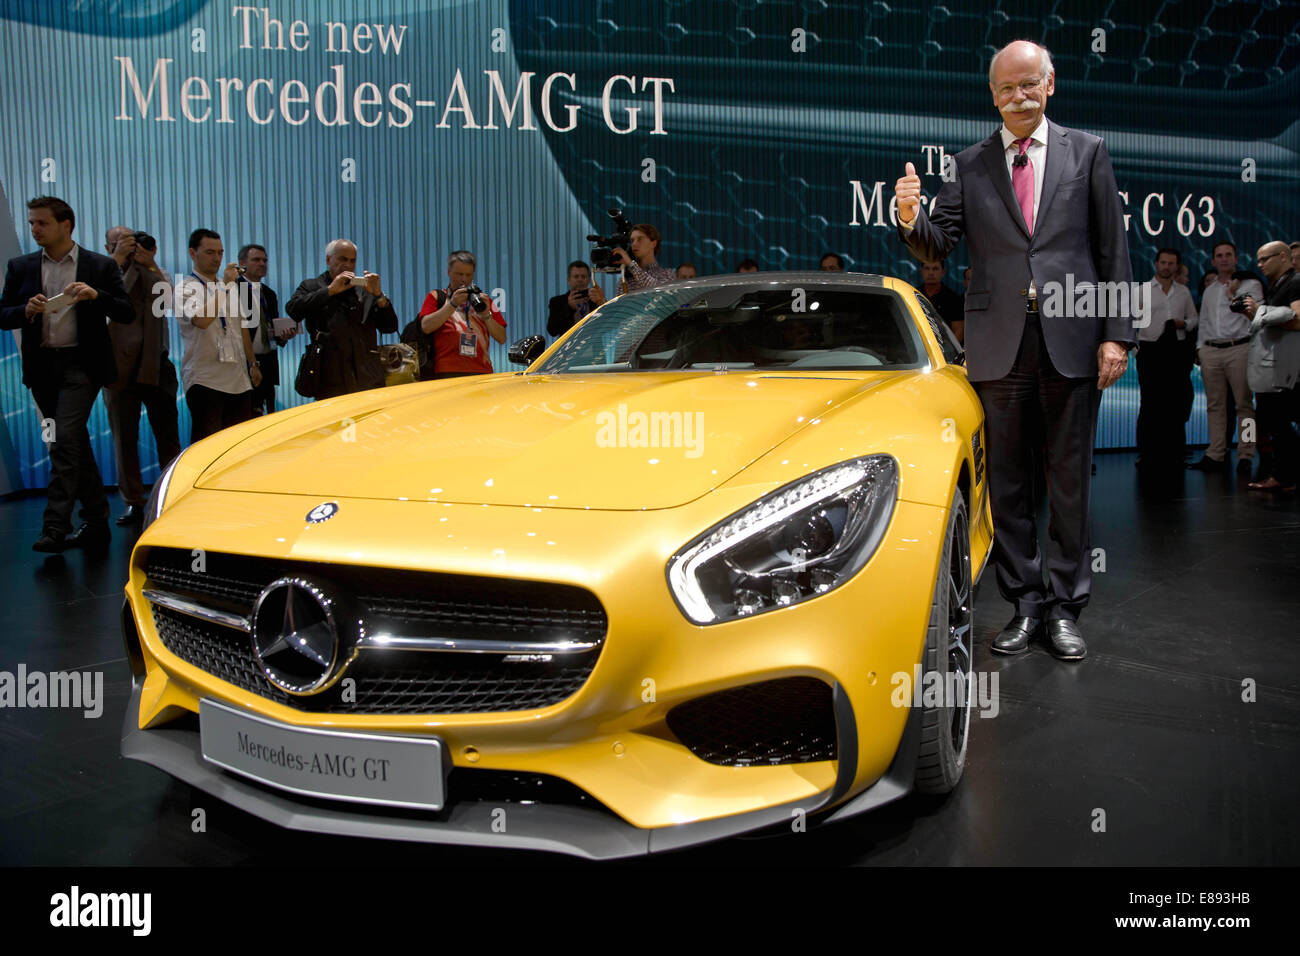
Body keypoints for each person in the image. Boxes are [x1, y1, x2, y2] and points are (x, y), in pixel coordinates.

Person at [895, 39, 1134, 661]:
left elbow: (1112, 250)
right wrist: (910, 218)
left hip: (1072, 338)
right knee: (1005, 485)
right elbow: (936, 246)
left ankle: (1065, 607)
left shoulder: (1088, 152)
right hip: (999, 344)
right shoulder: (969, 164)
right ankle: (1024, 604)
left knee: (1068, 481)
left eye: (1029, 85)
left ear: (1050, 84)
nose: (1018, 97)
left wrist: (1116, 332)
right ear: (992, 95)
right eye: (1006, 88)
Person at [0, 196, 132, 552]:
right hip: (42, 368)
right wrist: (24, 311)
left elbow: (126, 312)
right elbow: (2, 313)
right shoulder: (21, 267)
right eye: (30, 223)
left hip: (83, 366)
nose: (34, 229)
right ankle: (96, 519)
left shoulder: (99, 265)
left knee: (62, 438)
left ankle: (55, 526)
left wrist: (96, 295)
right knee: (73, 442)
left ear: (66, 225)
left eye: (41, 223)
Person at [103, 227, 180, 525]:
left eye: (131, 244)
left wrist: (151, 265)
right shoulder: (103, 271)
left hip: (158, 364)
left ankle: (172, 495)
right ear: (108, 245)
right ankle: (134, 501)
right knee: (125, 438)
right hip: (119, 368)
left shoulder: (156, 273)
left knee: (168, 437)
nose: (129, 249)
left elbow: (168, 303)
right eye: (119, 244)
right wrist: (118, 260)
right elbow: (109, 307)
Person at [175, 229, 260, 442]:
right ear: (192, 253)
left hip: (238, 378)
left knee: (238, 445)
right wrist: (225, 286)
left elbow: (241, 327)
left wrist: (253, 363)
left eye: (220, 253)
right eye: (209, 252)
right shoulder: (185, 288)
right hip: (205, 379)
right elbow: (202, 320)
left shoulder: (227, 287)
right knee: (209, 444)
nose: (217, 258)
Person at [285, 239, 398, 399]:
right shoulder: (312, 286)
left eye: (352, 261)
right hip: (329, 375)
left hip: (366, 375)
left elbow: (390, 327)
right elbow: (293, 310)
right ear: (328, 259)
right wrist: (329, 291)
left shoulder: (363, 289)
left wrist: (379, 296)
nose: (348, 265)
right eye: (342, 259)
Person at [1188, 240, 1263, 474]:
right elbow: (1205, 322)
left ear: (1236, 258)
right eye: (1219, 255)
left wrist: (1233, 294)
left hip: (1239, 348)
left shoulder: (1251, 284)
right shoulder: (1209, 290)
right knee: (1215, 405)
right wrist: (1201, 348)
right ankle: (1215, 453)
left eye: (1228, 254)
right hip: (1211, 351)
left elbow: (1257, 315)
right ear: (1213, 261)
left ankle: (1246, 453)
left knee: (1244, 406)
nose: (1224, 259)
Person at [1242, 241, 1300, 492]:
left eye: (1265, 259)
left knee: (1279, 422)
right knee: (1275, 422)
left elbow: (1297, 321)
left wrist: (1261, 312)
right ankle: (1284, 475)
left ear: (1283, 256)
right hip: (1277, 364)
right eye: (1258, 259)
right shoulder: (1278, 285)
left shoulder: (1295, 282)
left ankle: (1285, 476)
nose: (1260, 264)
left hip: (1289, 367)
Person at [1136, 248, 1199, 470]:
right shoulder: (1142, 290)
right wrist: (1136, 350)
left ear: (1177, 266)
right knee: (1150, 404)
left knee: (1174, 404)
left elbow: (1194, 318)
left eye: (1171, 263)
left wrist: (1185, 324)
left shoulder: (1183, 292)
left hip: (1175, 352)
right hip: (1150, 352)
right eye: (1163, 262)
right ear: (1156, 264)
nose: (1166, 267)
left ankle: (1174, 453)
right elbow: (1129, 321)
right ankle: (1146, 453)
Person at [403, 250, 506, 379]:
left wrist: (486, 314)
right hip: (446, 371)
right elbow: (425, 326)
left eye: (468, 275)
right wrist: (452, 305)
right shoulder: (436, 297)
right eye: (459, 274)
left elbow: (502, 338)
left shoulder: (485, 301)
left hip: (482, 370)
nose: (464, 279)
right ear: (449, 272)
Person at [236, 243, 293, 415]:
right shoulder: (234, 289)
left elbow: (270, 326)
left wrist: (283, 336)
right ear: (242, 263)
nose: (262, 264)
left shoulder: (269, 293)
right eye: (256, 260)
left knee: (268, 415)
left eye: (265, 260)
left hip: (268, 362)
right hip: (243, 364)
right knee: (247, 416)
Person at [547, 259, 605, 338]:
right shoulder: (557, 302)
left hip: (594, 345)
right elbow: (552, 331)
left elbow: (609, 324)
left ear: (588, 279)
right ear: (568, 280)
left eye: (583, 276)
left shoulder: (595, 298)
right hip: (568, 347)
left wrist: (601, 302)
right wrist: (569, 307)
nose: (580, 279)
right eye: (576, 276)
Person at [614, 224, 674, 291]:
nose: (634, 244)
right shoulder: (625, 280)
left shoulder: (668, 274)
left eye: (640, 239)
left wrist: (631, 264)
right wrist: (601, 299)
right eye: (632, 241)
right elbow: (623, 301)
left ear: (654, 244)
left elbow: (659, 290)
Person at [919, 259, 964, 342]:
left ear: (943, 272)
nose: (931, 273)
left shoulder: (953, 298)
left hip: (945, 348)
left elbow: (959, 329)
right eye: (927, 268)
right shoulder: (914, 295)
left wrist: (950, 352)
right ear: (921, 271)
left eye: (935, 269)